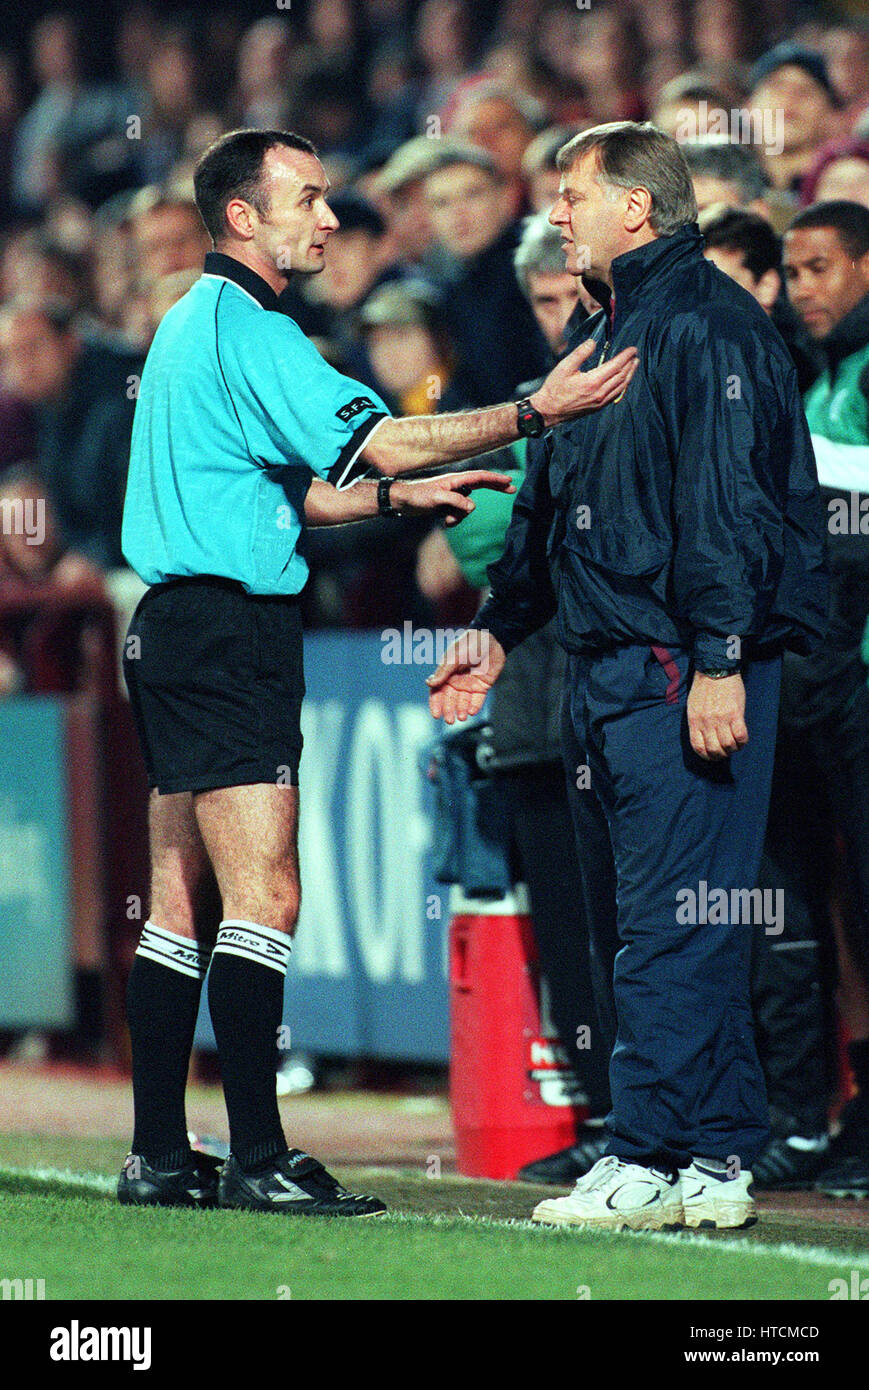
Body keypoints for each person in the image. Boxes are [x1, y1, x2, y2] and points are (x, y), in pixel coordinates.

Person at [116, 126, 637, 1217]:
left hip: (166, 629)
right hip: (230, 635)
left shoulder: (183, 324)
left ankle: (160, 1155)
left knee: (177, 898)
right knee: (268, 892)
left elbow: (286, 491)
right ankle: (258, 1156)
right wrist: (537, 409)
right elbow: (384, 440)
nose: (329, 217)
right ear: (243, 217)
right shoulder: (258, 332)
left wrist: (390, 505)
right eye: (306, 198)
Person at [428, 121, 828, 1232]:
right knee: (644, 919)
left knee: (668, 920)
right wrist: (501, 627)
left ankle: (645, 1152)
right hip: (606, 668)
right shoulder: (610, 327)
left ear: (635, 209)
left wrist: (715, 660)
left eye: (571, 194)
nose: (554, 214)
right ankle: (714, 1153)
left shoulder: (707, 325)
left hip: (673, 667)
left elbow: (729, 512)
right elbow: (550, 506)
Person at [767, 199, 869, 1198]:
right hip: (828, 678)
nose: (801, 290)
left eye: (820, 268)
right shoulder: (822, 376)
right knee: (844, 909)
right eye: (790, 272)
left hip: (857, 672)